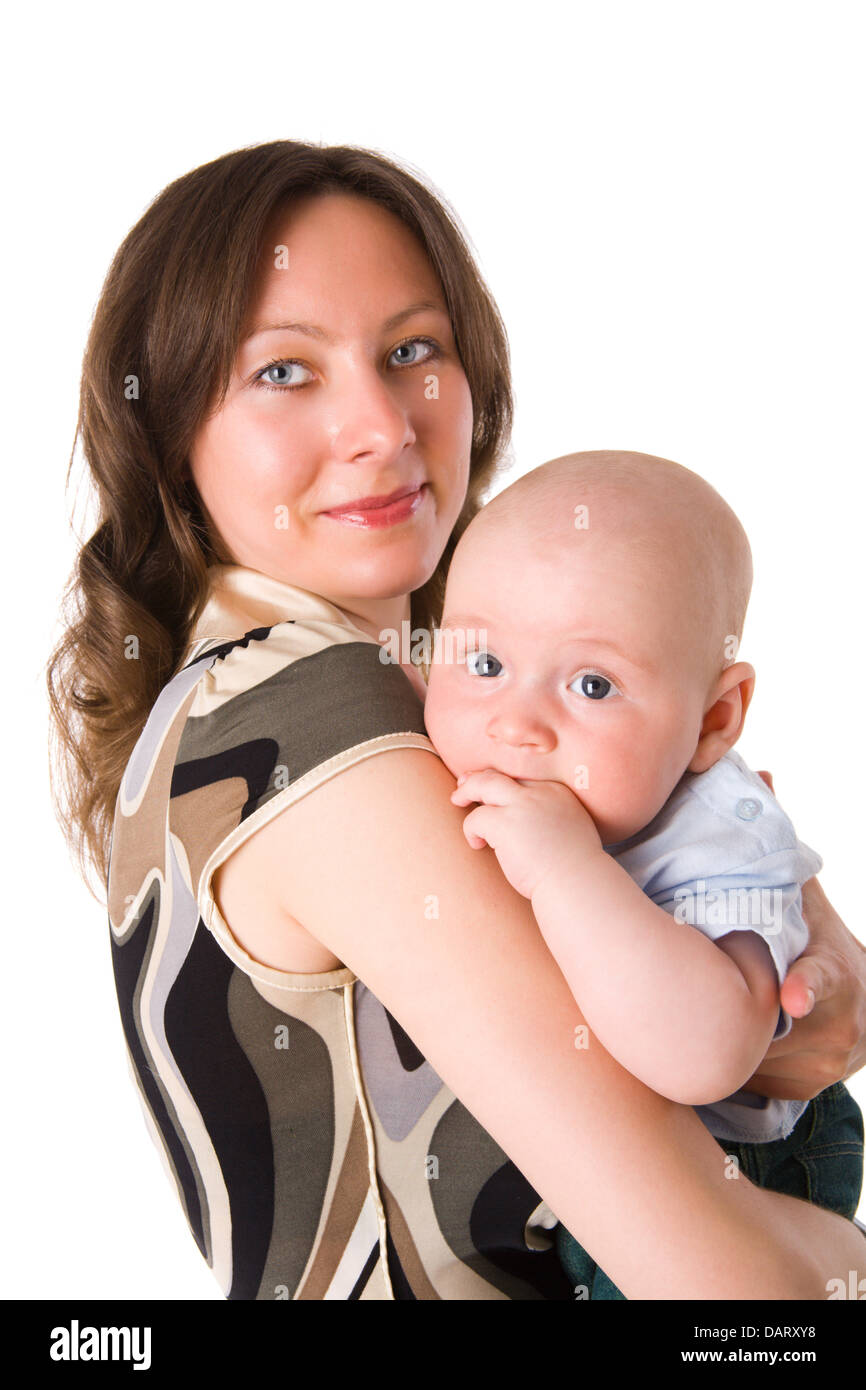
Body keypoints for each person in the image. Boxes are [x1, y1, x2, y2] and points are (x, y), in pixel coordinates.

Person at [46, 139, 866, 1300]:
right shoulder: (314, 720)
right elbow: (734, 1291)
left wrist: (800, 967)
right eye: (285, 370)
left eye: (411, 349)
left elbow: (775, 928)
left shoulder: (439, 691)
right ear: (170, 425)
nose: (380, 423)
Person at [421, 449, 864, 1297]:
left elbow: (710, 1057)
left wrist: (567, 873)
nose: (517, 724)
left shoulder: (715, 841)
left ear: (713, 720)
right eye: (483, 665)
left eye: (592, 684)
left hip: (739, 1172)